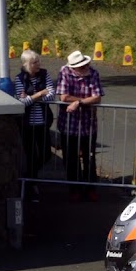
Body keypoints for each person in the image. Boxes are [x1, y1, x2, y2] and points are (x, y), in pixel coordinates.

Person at [55, 50, 104, 201]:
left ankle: (90, 188)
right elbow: (64, 96)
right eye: (81, 67)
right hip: (69, 124)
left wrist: (78, 102)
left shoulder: (93, 73)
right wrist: (84, 100)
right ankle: (74, 189)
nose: (85, 68)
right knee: (71, 158)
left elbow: (96, 98)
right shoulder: (64, 72)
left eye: (86, 65)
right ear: (73, 68)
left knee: (90, 158)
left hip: (88, 124)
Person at [15, 49, 55, 201]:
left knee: (46, 154)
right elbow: (21, 102)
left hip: (42, 122)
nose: (38, 64)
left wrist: (30, 97)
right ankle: (32, 186)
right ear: (26, 64)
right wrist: (39, 94)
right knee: (31, 155)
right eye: (34, 62)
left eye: (38, 61)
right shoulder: (20, 79)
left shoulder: (45, 75)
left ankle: (29, 178)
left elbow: (51, 95)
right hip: (28, 124)